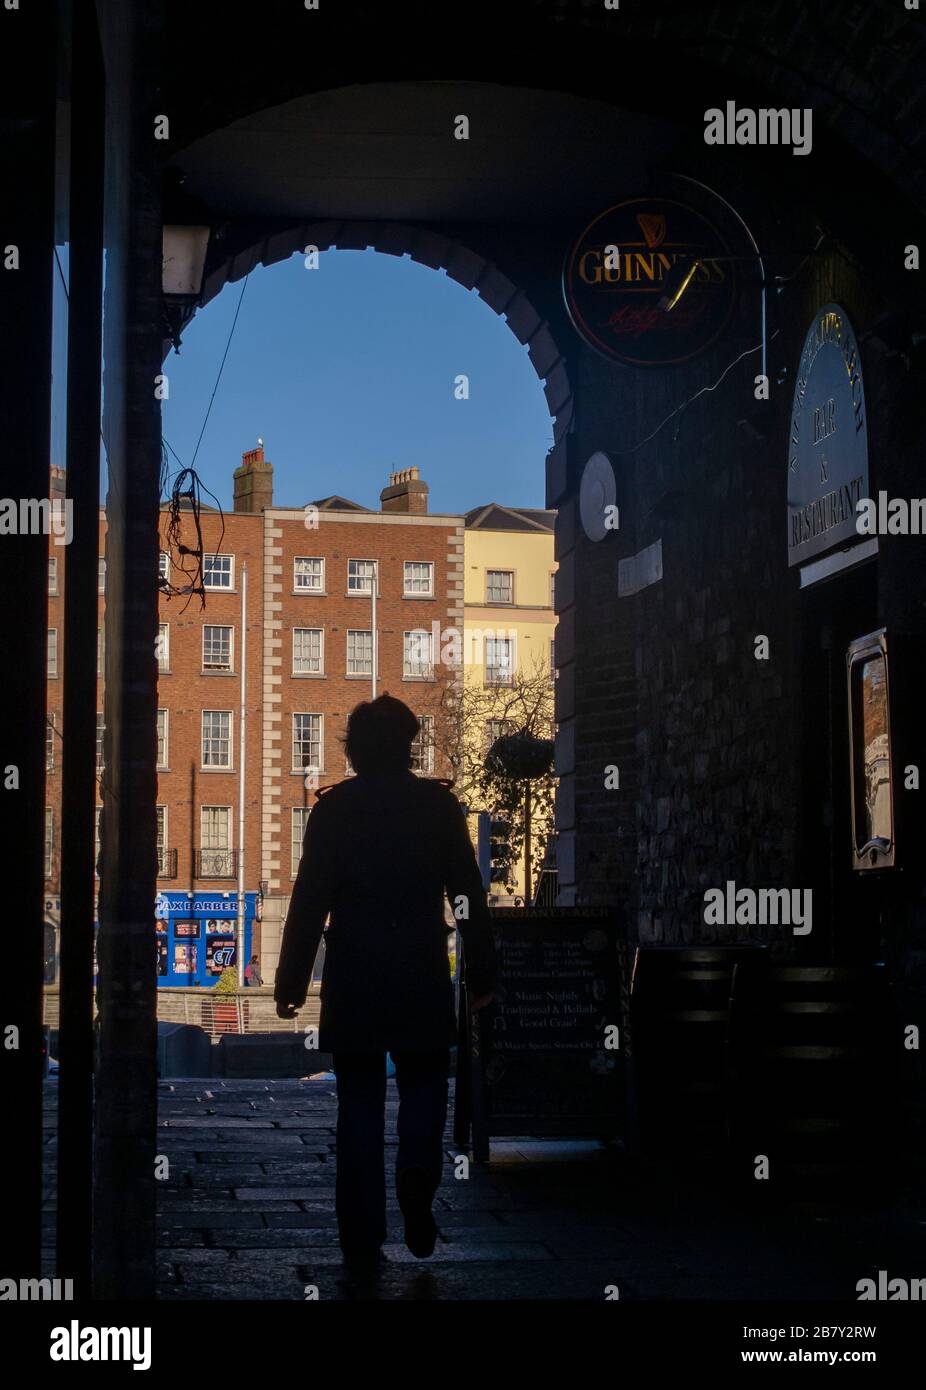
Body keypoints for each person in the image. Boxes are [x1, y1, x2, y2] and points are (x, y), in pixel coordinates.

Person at [274, 694, 497, 1271]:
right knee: (424, 1082)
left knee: (360, 1099)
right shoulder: (437, 809)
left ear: (353, 749)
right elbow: (468, 896)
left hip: (355, 973)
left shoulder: (333, 812)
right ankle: (418, 1169)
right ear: (408, 745)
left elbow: (309, 902)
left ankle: (361, 1233)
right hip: (419, 967)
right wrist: (483, 972)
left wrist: (292, 977)